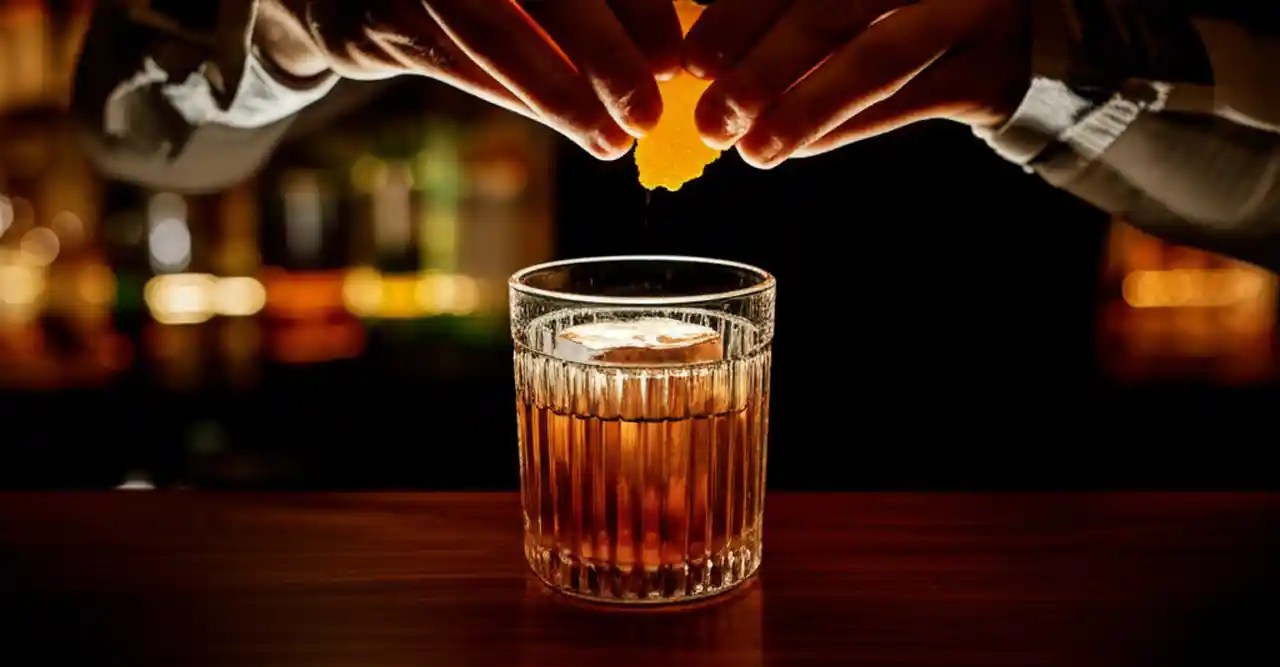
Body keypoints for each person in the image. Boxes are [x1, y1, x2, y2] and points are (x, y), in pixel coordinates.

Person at [74, 0, 1279, 266]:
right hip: (485, 530)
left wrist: (1057, 49)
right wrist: (297, 24)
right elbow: (143, 138)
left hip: (1017, 520)